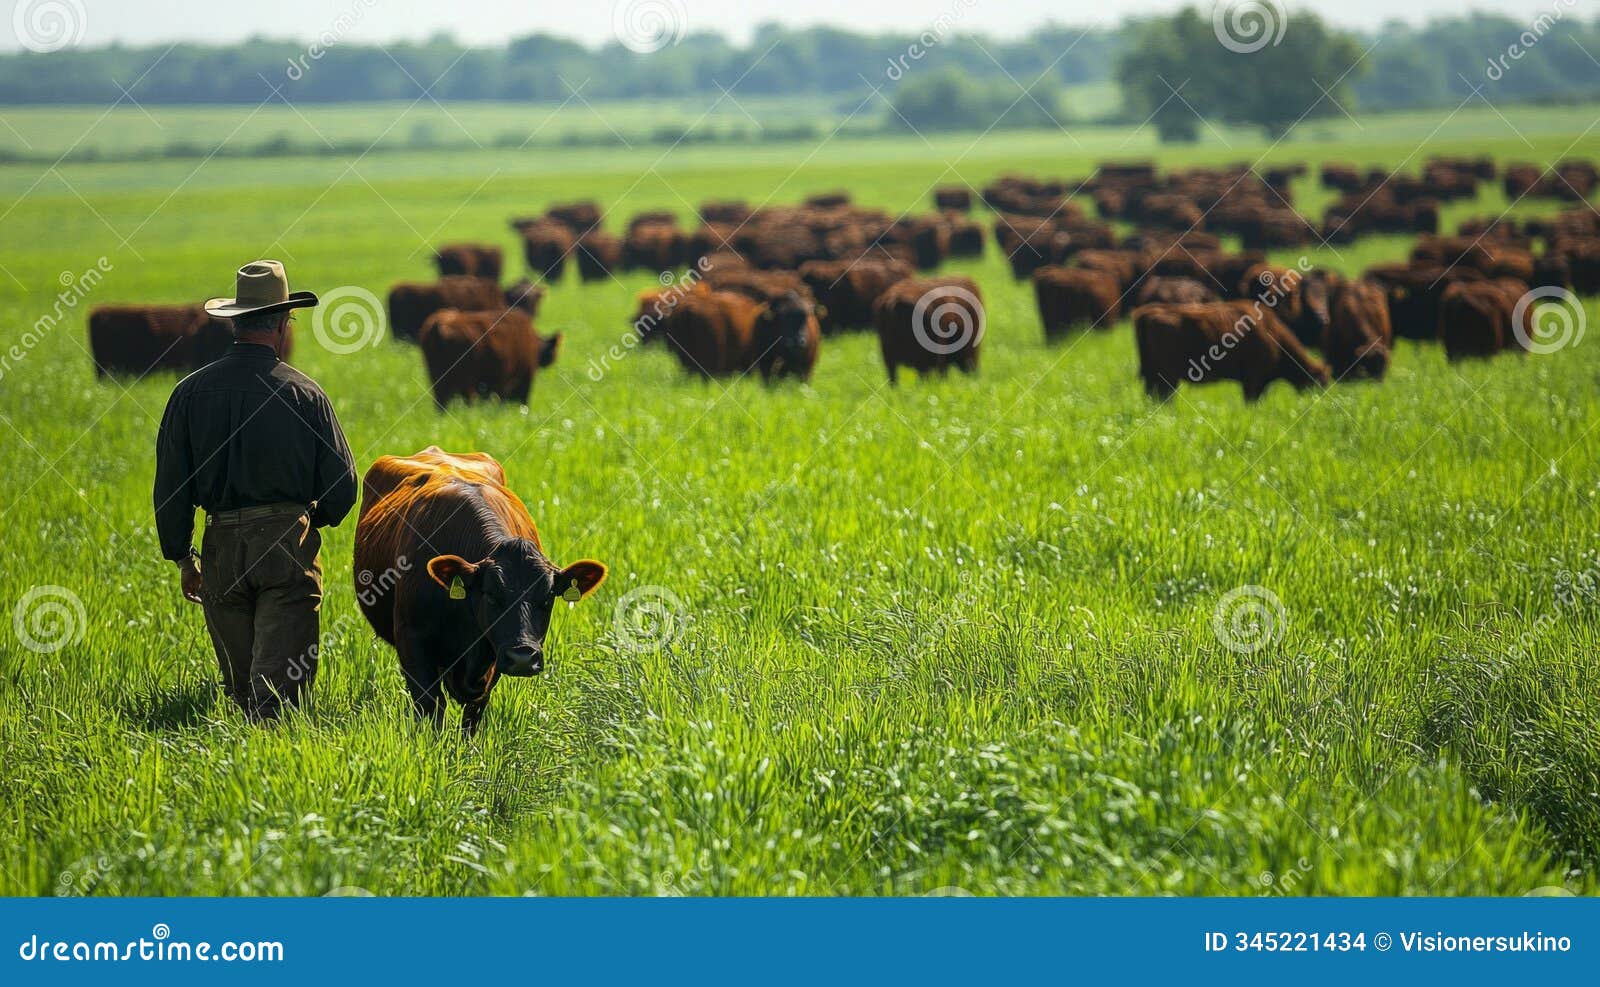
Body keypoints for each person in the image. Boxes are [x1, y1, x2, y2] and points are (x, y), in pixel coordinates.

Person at [153, 260, 357, 721]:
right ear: (284, 323)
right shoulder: (305, 394)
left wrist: (184, 557)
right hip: (288, 543)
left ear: (234, 322)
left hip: (220, 547)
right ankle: (271, 773)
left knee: (241, 692)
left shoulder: (188, 395)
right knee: (277, 699)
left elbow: (171, 488)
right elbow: (343, 486)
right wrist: (309, 521)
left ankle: (237, 770)